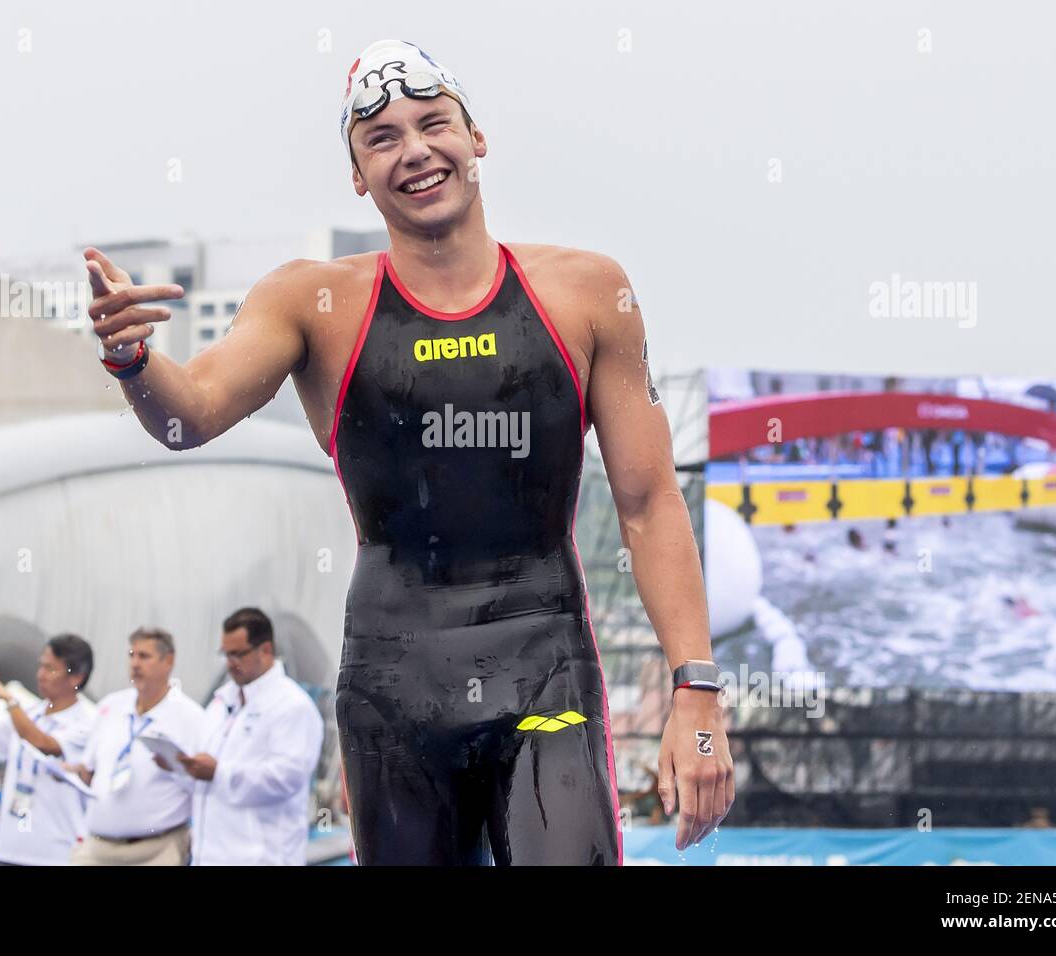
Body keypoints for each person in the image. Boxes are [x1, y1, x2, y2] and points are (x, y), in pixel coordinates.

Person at [83, 39, 731, 864]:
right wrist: (133, 361)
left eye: (433, 124)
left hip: (545, 671)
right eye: (382, 138)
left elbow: (647, 504)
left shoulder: (588, 291)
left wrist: (697, 692)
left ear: (477, 138)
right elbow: (192, 417)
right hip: (395, 685)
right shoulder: (313, 302)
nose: (415, 150)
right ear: (357, 175)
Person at [181, 608, 324, 865]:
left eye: (238, 653)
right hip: (210, 856)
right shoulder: (221, 702)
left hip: (262, 857)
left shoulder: (292, 706)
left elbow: (286, 778)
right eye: (226, 654)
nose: (230, 662)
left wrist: (219, 773)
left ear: (266, 650)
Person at [69, 628, 203, 865]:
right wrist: (71, 772)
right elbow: (89, 770)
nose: (135, 664)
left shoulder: (190, 718)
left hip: (156, 850)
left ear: (168, 661)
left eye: (144, 656)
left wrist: (175, 768)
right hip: (99, 846)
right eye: (132, 655)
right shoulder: (111, 706)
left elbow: (201, 784)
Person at [0, 634, 97, 865]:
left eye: (50, 669)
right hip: (10, 850)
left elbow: (45, 744)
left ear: (76, 677)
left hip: (58, 852)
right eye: (41, 666)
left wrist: (9, 700)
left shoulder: (87, 720)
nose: (40, 675)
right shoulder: (31, 714)